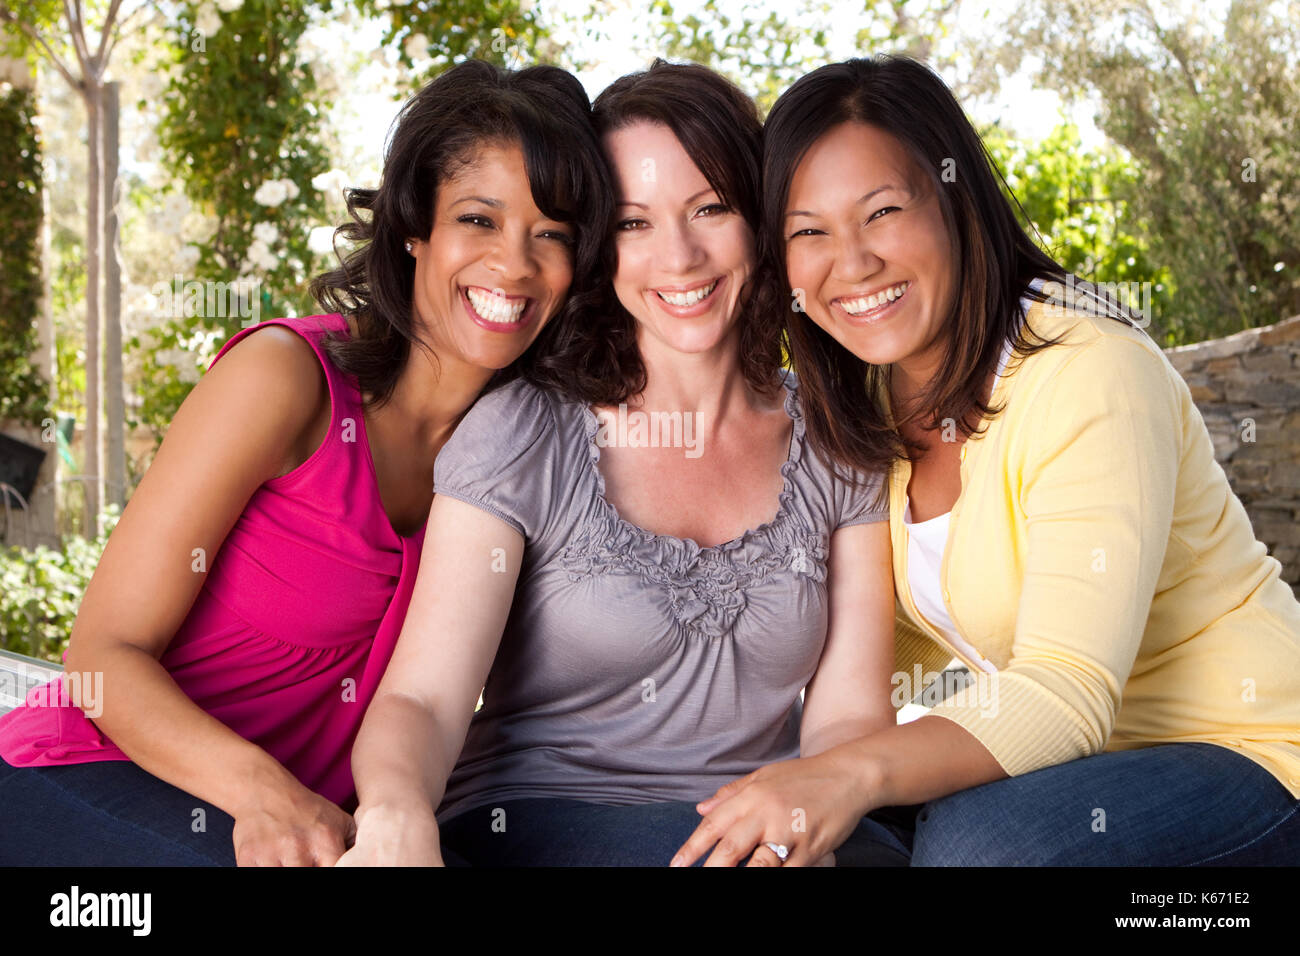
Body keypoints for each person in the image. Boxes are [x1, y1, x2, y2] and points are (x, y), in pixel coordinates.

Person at [671, 54, 1300, 867]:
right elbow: (857, 657)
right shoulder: (863, 406)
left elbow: (1066, 693)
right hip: (1074, 772)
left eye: (883, 211)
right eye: (809, 232)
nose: (852, 263)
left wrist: (844, 775)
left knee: (983, 849)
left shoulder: (1089, 369)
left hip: (1252, 754)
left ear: (955, 201)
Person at [0, 60, 611, 867]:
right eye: (479, 220)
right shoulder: (288, 380)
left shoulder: (530, 449)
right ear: (412, 229)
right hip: (91, 774)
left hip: (321, 830)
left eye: (551, 235)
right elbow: (101, 660)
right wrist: (263, 793)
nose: (515, 263)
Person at [337, 60, 906, 867]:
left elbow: (849, 717)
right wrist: (395, 812)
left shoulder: (837, 440)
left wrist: (807, 813)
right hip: (536, 823)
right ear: (602, 250)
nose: (679, 257)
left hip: (767, 830)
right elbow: (423, 698)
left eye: (711, 207)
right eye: (635, 224)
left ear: (762, 220)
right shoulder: (524, 433)